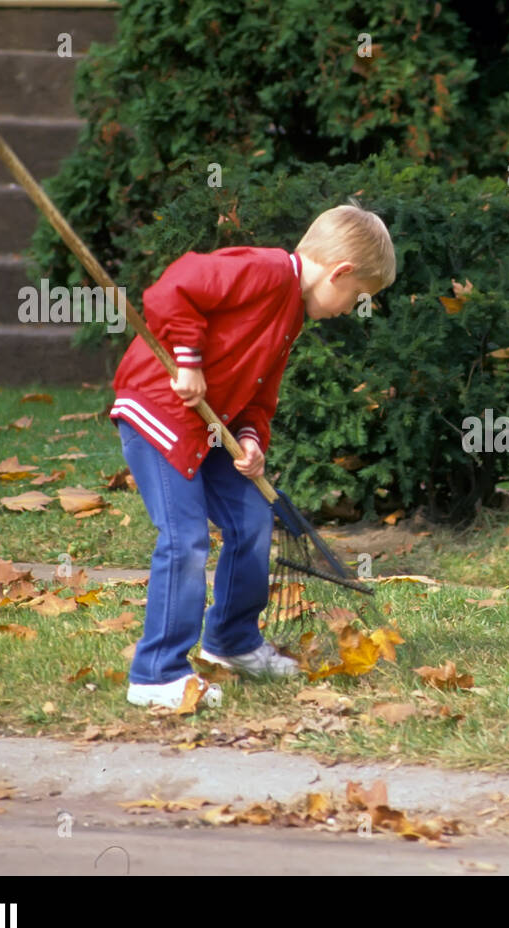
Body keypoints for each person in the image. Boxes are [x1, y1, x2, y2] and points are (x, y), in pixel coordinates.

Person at [110, 203, 395, 709]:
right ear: (340, 272)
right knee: (185, 539)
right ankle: (156, 674)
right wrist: (188, 359)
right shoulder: (263, 270)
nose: (351, 310)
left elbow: (261, 392)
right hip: (158, 413)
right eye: (356, 298)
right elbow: (171, 289)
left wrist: (250, 438)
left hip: (212, 424)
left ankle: (233, 641)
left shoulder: (291, 315)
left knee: (251, 518)